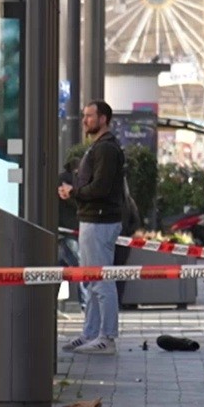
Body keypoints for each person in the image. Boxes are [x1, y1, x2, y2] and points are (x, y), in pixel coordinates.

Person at [58, 100, 125, 355]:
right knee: (91, 280)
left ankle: (106, 336)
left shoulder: (106, 149)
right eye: (84, 115)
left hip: (100, 221)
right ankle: (91, 333)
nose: (85, 120)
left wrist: (74, 191)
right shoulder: (98, 147)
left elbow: (100, 188)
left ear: (103, 118)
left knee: (100, 280)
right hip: (92, 219)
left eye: (90, 116)